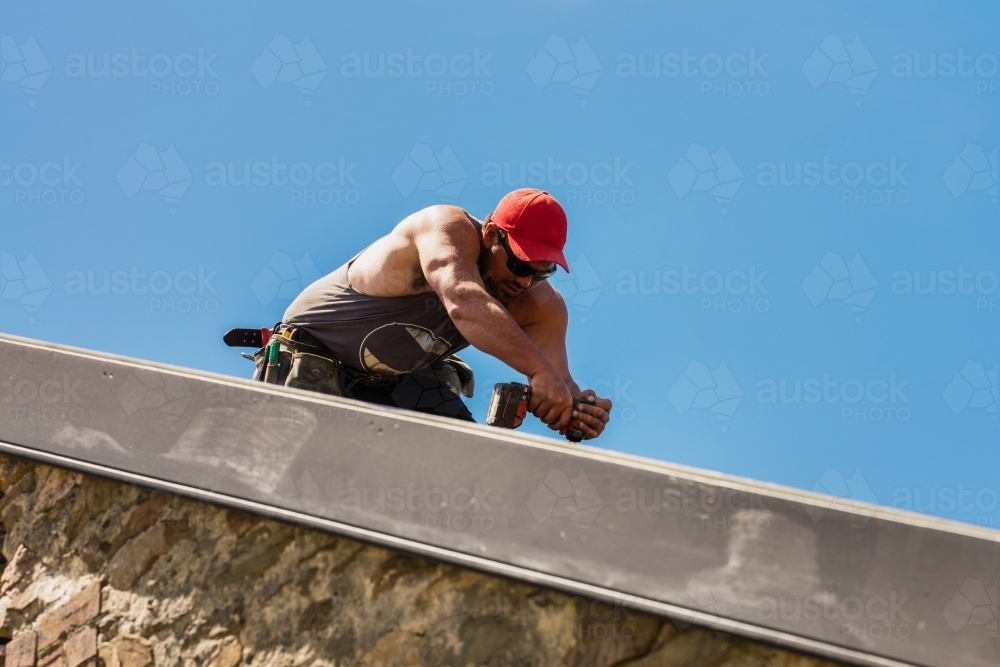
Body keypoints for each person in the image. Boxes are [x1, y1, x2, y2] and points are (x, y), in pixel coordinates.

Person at [279, 188, 612, 440]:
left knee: (463, 465)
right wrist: (540, 371)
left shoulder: (541, 305)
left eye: (542, 272)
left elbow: (557, 379)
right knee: (305, 466)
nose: (525, 281)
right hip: (316, 353)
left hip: (399, 379)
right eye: (518, 265)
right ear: (491, 234)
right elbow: (465, 303)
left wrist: (576, 409)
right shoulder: (445, 227)